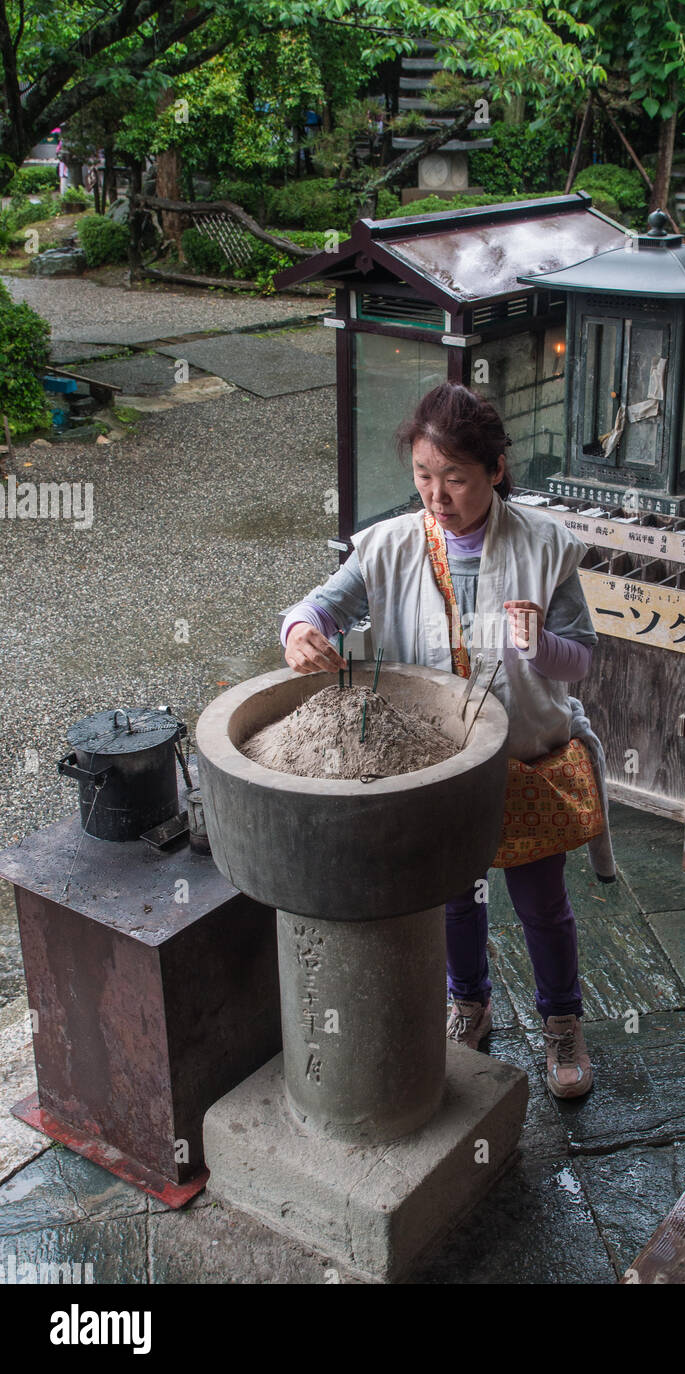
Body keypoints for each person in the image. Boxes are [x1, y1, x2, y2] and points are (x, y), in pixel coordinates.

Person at [280, 382, 615, 1099]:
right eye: (424, 478)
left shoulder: (543, 545)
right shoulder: (391, 547)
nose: (437, 495)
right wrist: (301, 632)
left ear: (494, 469)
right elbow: (323, 605)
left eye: (455, 477)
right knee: (454, 900)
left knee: (540, 903)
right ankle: (468, 1003)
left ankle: (561, 1022)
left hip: (524, 756)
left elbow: (581, 657)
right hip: (435, 764)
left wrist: (539, 644)